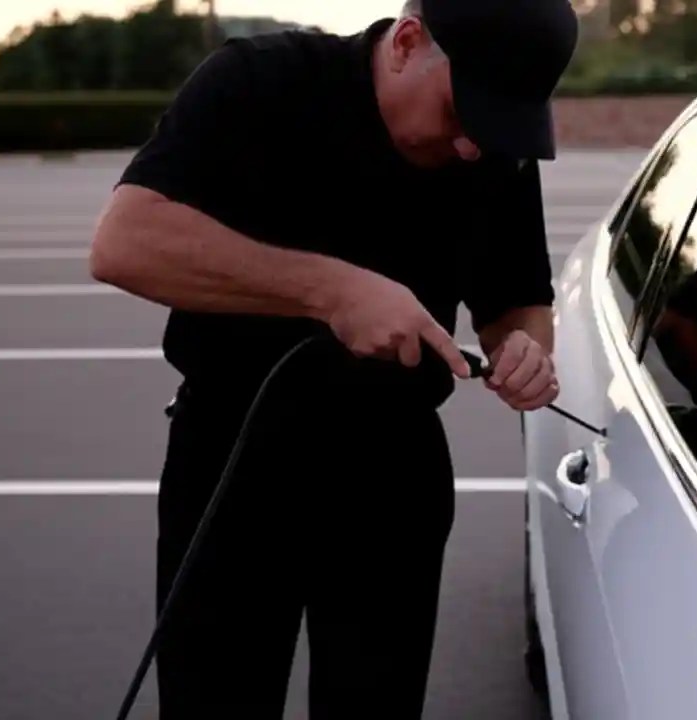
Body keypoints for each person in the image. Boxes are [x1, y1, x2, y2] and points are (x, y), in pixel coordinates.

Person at [89, 0, 579, 717]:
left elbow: (516, 301)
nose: (475, 146)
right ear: (408, 42)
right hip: (235, 458)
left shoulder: (490, 144)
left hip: (393, 470)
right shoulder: (261, 83)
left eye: (498, 125)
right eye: (463, 112)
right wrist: (333, 291)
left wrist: (525, 349)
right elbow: (124, 245)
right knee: (214, 699)